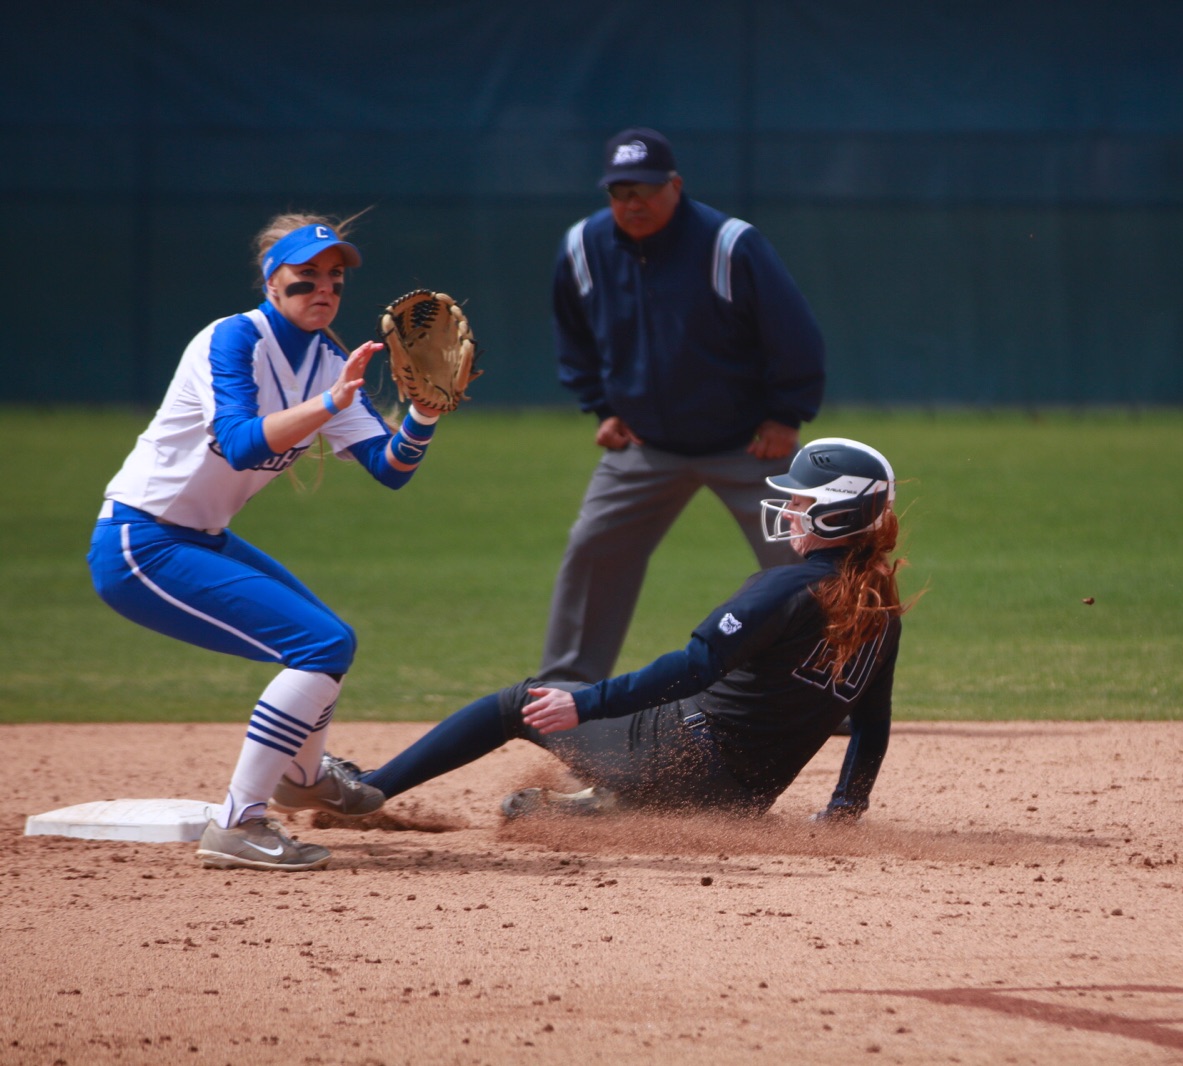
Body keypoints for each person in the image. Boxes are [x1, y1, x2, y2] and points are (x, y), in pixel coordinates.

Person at [87, 212, 449, 872]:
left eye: (333, 279)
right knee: (321, 644)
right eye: (305, 277)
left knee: (328, 636)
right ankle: (239, 824)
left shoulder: (330, 362)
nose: (323, 289)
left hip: (201, 537)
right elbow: (242, 438)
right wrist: (331, 405)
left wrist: (424, 413)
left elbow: (389, 469)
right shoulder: (231, 340)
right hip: (140, 543)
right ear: (271, 280)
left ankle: (302, 779)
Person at [342, 438, 910, 822]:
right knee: (635, 732)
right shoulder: (882, 612)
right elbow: (871, 725)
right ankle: (603, 804)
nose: (788, 509)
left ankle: (369, 788)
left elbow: (692, 669)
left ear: (835, 513)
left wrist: (584, 704)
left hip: (676, 760)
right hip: (739, 803)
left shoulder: (781, 589)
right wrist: (843, 811)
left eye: (801, 499)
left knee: (520, 702)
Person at [541, 126, 827, 687]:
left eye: (645, 188)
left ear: (675, 185)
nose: (632, 202)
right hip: (645, 445)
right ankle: (565, 691)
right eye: (620, 191)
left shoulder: (729, 244)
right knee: (593, 549)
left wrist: (785, 415)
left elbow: (795, 335)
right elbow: (573, 333)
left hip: (748, 442)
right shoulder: (584, 247)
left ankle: (820, 687)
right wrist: (601, 407)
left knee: (801, 561)